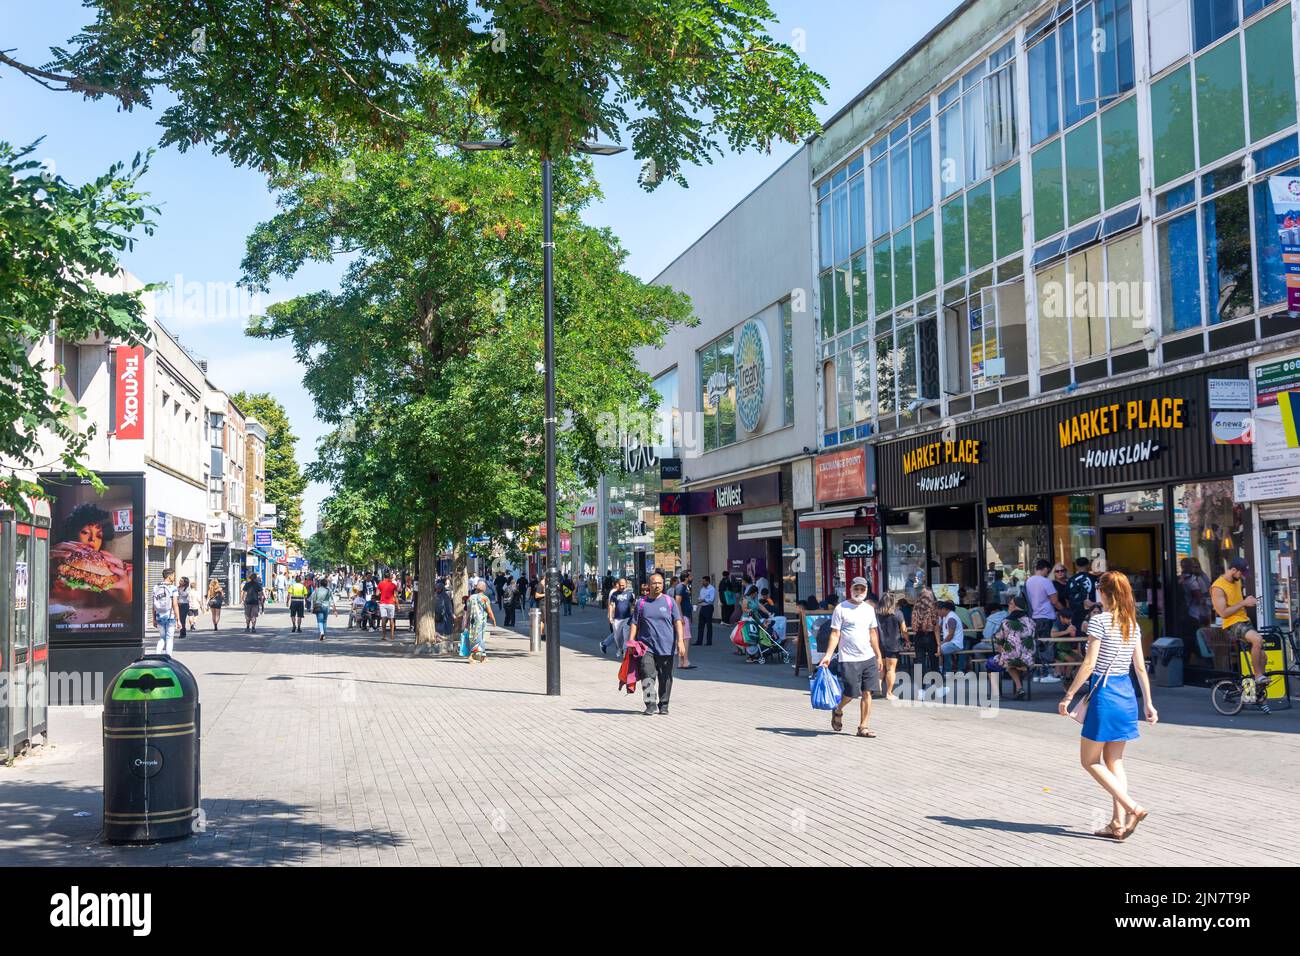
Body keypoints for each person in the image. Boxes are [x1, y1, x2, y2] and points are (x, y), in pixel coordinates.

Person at [1059, 571, 1157, 840]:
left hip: (1104, 695)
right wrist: (1148, 703)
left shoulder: (1099, 622)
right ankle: (1117, 823)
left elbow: (1089, 664)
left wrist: (1068, 696)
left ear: (1103, 593)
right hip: (1126, 694)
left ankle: (1132, 808)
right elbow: (1139, 666)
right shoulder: (1132, 624)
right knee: (1114, 761)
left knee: (1089, 761)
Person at [818, 577, 882, 737]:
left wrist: (878, 655)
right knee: (851, 692)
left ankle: (863, 727)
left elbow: (873, 633)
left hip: (868, 657)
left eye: (862, 589)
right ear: (851, 589)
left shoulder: (869, 609)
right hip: (848, 658)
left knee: (868, 692)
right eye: (856, 589)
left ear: (866, 591)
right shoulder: (841, 608)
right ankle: (838, 709)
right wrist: (828, 655)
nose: (859, 592)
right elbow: (835, 633)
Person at [627, 573, 685, 715]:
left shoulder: (669, 602)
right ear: (649, 585)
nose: (657, 585)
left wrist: (681, 641)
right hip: (646, 647)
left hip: (666, 646)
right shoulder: (641, 603)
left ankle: (664, 704)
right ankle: (650, 704)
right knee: (647, 674)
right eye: (654, 583)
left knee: (665, 677)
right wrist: (631, 641)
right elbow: (634, 623)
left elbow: (678, 622)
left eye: (659, 583)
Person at [1211, 557, 1270, 688]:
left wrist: (1246, 600)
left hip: (1244, 620)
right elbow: (1223, 613)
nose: (1242, 576)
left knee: (1263, 657)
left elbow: (1235, 600)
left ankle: (1259, 689)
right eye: (1240, 573)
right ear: (1233, 570)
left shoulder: (1236, 581)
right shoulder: (1218, 587)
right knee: (1257, 639)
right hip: (1232, 624)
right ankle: (1258, 676)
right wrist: (1243, 602)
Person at [987, 594, 1036, 699]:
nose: (1009, 605)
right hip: (1028, 658)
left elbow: (999, 641)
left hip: (1010, 658)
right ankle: (1019, 688)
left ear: (1015, 606)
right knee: (1012, 663)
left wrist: (1001, 653)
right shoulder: (1031, 621)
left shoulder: (1006, 622)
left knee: (991, 663)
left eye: (1011, 604)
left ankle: (996, 693)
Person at [1026, 559, 1067, 680]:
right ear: (1045, 569)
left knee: (1038, 645)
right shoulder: (1046, 582)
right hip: (1047, 616)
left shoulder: (1029, 581)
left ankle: (1038, 672)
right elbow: (1054, 601)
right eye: (1048, 570)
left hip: (1034, 616)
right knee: (1048, 645)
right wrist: (1064, 610)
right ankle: (1047, 673)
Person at [875, 592, 906, 700]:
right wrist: (907, 640)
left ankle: (878, 690)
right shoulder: (897, 613)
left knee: (881, 668)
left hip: (879, 644)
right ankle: (889, 693)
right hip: (893, 644)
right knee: (891, 669)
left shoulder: (876, 614)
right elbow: (904, 629)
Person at [909, 582, 940, 675]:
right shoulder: (932, 608)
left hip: (918, 637)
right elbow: (936, 627)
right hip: (930, 637)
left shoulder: (916, 607)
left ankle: (920, 688)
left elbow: (914, 624)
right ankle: (937, 686)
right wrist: (939, 645)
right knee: (934, 661)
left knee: (919, 662)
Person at [152, 568, 181, 656]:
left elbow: (153, 604)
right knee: (169, 638)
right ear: (169, 576)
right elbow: (175, 604)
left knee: (162, 637)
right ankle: (168, 657)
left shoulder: (156, 587)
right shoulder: (173, 588)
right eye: (173, 576)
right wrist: (178, 619)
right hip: (170, 616)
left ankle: (157, 655)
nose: (174, 577)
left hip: (159, 615)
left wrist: (153, 618)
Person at [466, 581, 495, 663]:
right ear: (484, 589)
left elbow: (467, 611)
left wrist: (465, 622)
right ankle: (471, 656)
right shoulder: (485, 598)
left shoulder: (470, 597)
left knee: (474, 638)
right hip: (480, 622)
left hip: (472, 621)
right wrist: (493, 620)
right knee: (479, 639)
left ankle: (483, 657)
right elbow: (489, 611)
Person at [1067, 557, 1099, 631]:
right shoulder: (1095, 579)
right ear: (1088, 565)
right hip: (1093, 611)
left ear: (1076, 566)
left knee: (1079, 634)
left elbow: (1067, 597)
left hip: (1076, 612)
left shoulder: (1071, 580)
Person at [672, 571, 695, 669]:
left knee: (683, 638)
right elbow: (677, 602)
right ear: (686, 577)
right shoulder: (681, 587)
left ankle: (681, 662)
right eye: (690, 576)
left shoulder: (685, 587)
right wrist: (680, 617)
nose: (692, 577)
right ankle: (685, 661)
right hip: (683, 616)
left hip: (685, 615)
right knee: (685, 638)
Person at [937, 600, 966, 673]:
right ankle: (945, 671)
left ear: (943, 609)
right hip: (950, 643)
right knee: (937, 649)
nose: (937, 612)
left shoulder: (951, 618)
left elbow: (950, 635)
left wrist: (941, 643)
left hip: (955, 644)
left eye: (937, 610)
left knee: (937, 650)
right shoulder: (945, 617)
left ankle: (941, 671)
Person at [375, 570, 399, 641]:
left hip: (383, 603)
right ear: (389, 577)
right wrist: (397, 605)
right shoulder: (393, 585)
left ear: (384, 577)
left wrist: (381, 593)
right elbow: (396, 595)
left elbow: (376, 594)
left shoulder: (380, 584)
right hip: (391, 603)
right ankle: (392, 636)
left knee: (383, 619)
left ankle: (384, 636)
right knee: (391, 619)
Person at [694, 575, 717, 646]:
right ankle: (699, 641)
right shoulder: (702, 589)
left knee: (709, 625)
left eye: (704, 581)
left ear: (707, 581)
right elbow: (700, 597)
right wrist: (699, 600)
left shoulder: (712, 589)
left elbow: (711, 599)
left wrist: (703, 599)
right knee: (700, 625)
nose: (702, 582)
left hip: (709, 607)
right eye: (702, 581)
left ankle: (709, 641)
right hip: (703, 607)